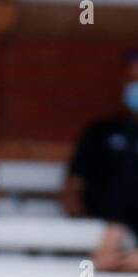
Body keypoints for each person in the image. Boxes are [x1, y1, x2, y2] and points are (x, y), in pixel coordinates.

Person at [65, 50, 138, 219]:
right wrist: (82, 225)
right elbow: (73, 188)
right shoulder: (100, 132)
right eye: (133, 80)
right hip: (101, 225)